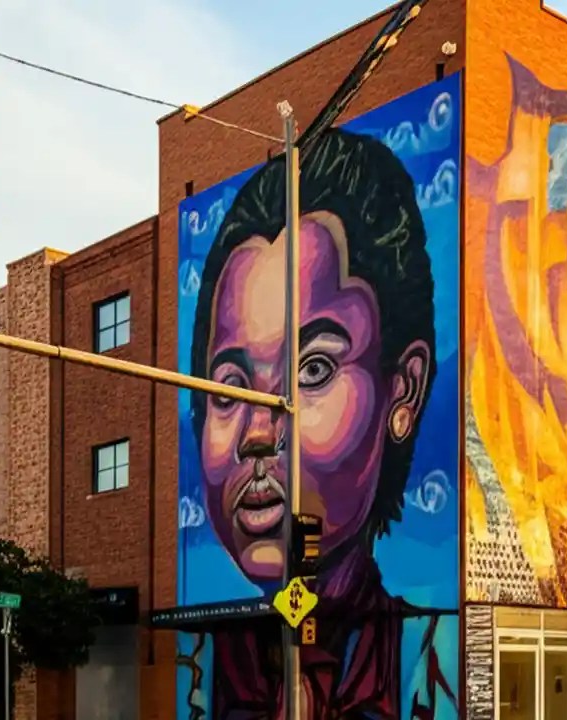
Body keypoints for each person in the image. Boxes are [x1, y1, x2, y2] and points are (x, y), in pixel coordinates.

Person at [188, 127, 456, 720]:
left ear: (403, 388)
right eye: (227, 388)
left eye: (312, 369)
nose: (258, 433)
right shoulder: (207, 666)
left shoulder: (427, 658)